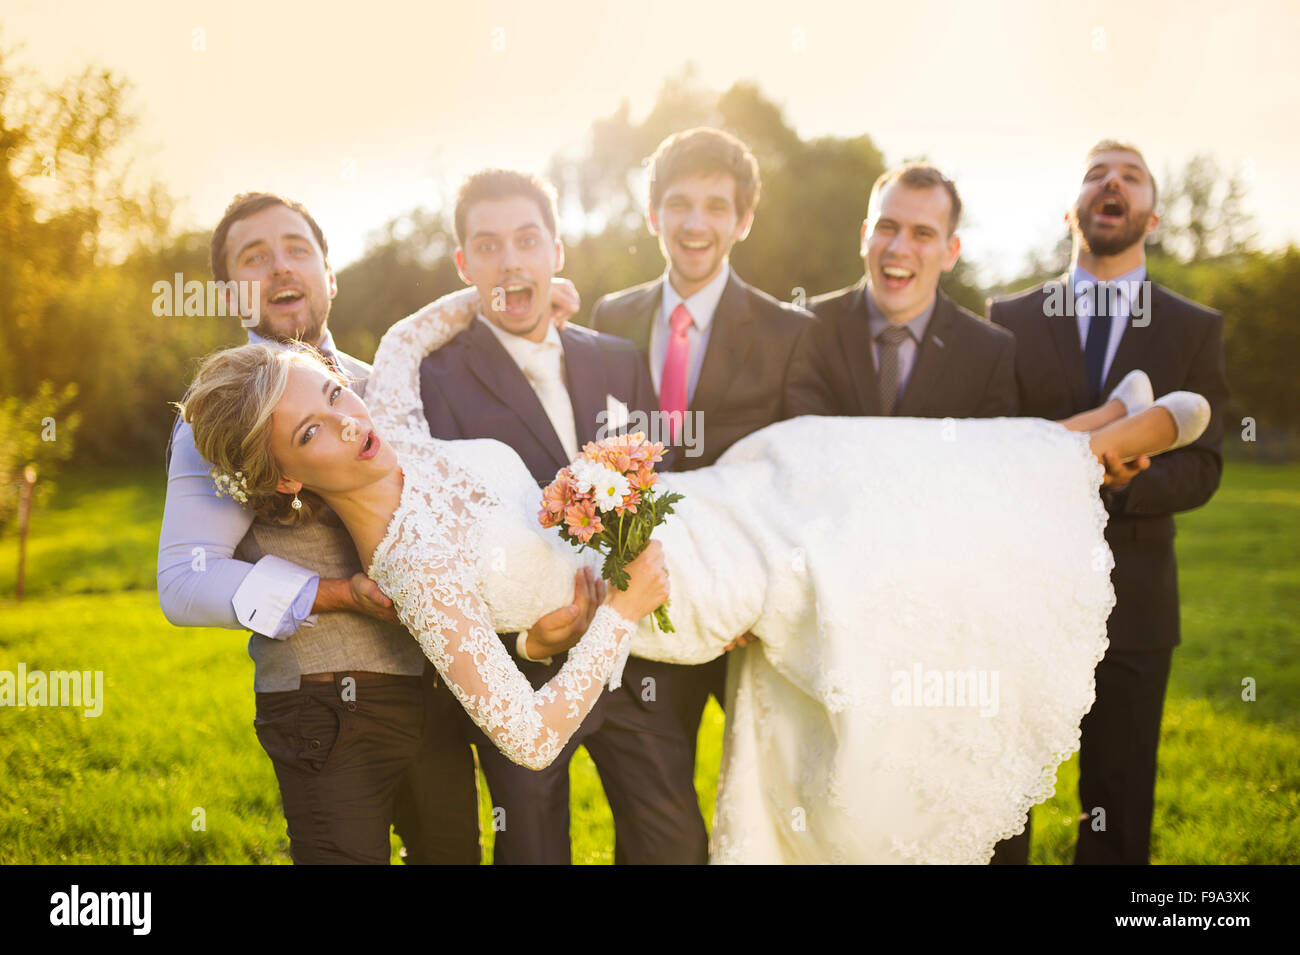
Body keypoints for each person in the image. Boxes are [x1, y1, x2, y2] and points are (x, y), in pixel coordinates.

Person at [179, 278, 1212, 863]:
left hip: (682, 505)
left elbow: (405, 335)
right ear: (285, 485)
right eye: (314, 429)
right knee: (851, 533)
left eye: (335, 391)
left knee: (817, 454)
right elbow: (531, 737)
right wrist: (616, 615)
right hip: (669, 587)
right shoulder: (416, 575)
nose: (350, 424)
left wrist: (519, 291)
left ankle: (1068, 438)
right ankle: (1086, 455)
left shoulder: (395, 424)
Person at [157, 192, 488, 864]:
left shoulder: (384, 389)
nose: (280, 267)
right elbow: (184, 581)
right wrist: (338, 594)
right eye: (254, 258)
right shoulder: (220, 417)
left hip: (435, 689)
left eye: (296, 249)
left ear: (329, 276)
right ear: (231, 298)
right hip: (325, 710)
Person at [416, 169, 708, 864]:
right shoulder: (437, 380)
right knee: (533, 851)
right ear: (464, 266)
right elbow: (449, 541)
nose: (511, 260)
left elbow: (651, 489)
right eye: (487, 246)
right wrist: (529, 642)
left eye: (526, 239)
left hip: (637, 662)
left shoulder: (617, 358)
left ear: (557, 250)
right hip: (525, 671)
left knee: (676, 846)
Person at [988, 140, 1229, 864]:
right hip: (1019, 594)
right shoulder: (1010, 314)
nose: (1112, 183)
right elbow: (993, 442)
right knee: (1002, 800)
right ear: (1074, 210)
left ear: (1151, 217)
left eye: (1130, 176)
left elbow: (1204, 467)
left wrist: (1125, 486)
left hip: (1136, 602)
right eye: (1096, 174)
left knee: (1117, 811)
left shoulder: (1195, 327)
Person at [590, 127, 812, 761]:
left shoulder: (788, 334)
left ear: (743, 220)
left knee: (769, 788)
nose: (696, 223)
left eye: (717, 206)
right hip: (643, 596)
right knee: (658, 830)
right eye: (680, 203)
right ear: (653, 213)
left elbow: (797, 476)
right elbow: (600, 442)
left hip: (747, 612)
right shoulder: (612, 318)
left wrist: (767, 593)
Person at [786, 162, 1017, 419]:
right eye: (887, 227)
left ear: (951, 252)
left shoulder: (989, 353)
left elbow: (992, 452)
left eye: (922, 233)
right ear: (865, 236)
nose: (898, 248)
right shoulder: (803, 327)